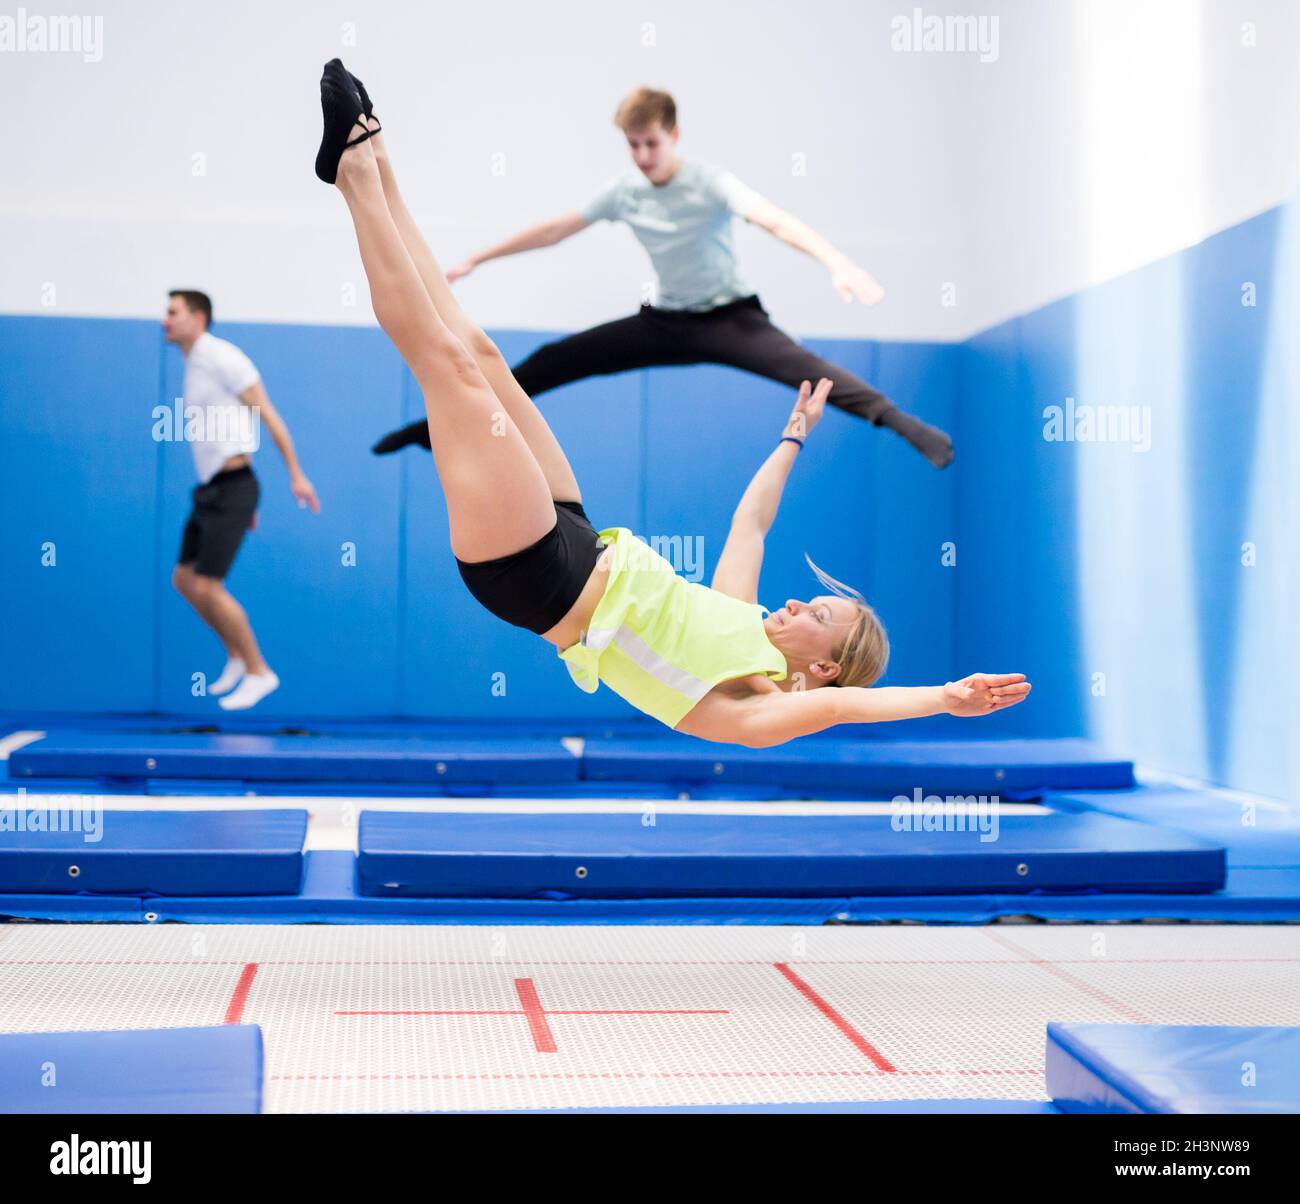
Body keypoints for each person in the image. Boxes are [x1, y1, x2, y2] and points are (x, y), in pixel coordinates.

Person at [314, 61, 1027, 746]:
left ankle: (353, 180)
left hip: (535, 577)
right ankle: (377, 162)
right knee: (483, 355)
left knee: (452, 371)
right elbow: (750, 527)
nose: (796, 603)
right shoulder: (739, 616)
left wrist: (942, 697)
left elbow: (840, 709)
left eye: (815, 614)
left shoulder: (747, 705)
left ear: (823, 667)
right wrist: (793, 439)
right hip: (575, 531)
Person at [371, 86, 953, 469]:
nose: (643, 156)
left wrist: (838, 263)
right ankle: (431, 429)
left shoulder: (709, 182)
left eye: (651, 143)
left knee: (812, 374)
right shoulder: (624, 190)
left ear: (674, 135)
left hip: (732, 321)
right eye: (633, 145)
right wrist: (480, 258)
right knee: (554, 359)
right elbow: (557, 229)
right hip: (666, 322)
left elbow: (774, 220)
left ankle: (906, 425)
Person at [162, 290, 320, 710]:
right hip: (214, 488)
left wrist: (296, 475)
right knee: (184, 579)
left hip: (233, 486)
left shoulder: (221, 357)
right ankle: (235, 656)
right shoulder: (194, 363)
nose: (165, 320)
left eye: (172, 312)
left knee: (209, 585)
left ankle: (258, 671)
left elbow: (266, 412)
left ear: (197, 318)